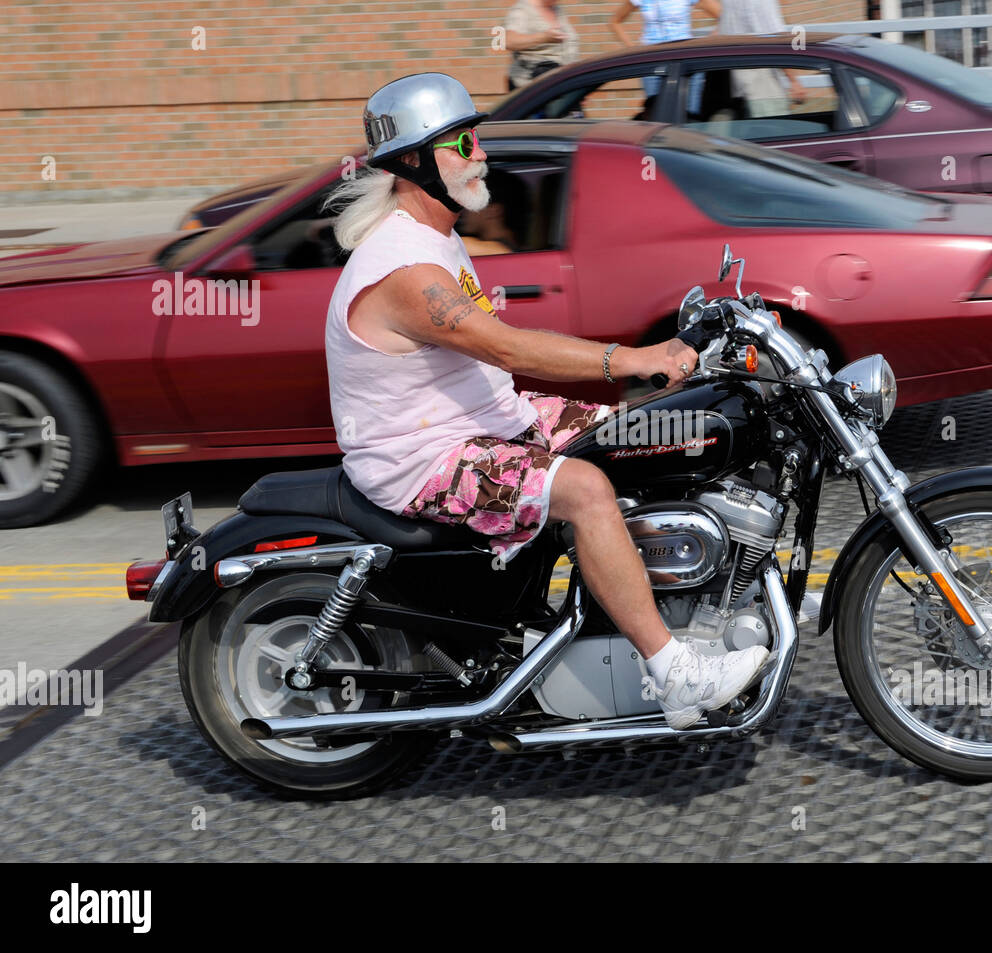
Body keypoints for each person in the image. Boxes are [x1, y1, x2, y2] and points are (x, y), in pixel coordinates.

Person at [323, 73, 770, 730]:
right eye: (463, 141)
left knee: (648, 432)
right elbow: (506, 349)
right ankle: (675, 672)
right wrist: (634, 358)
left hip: (489, 420)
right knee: (586, 487)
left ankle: (708, 595)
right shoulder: (404, 271)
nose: (482, 154)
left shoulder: (435, 239)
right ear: (415, 162)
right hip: (425, 457)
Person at [609, 0, 721, 109]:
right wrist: (633, 49)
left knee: (690, 116)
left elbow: (721, 16)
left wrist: (703, 46)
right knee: (657, 116)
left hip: (685, 60)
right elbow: (615, 21)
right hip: (652, 62)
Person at [716, 0, 805, 117]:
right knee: (774, 128)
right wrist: (793, 80)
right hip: (760, 78)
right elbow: (777, 41)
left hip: (733, 77)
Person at [504, 0, 579, 90]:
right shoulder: (522, 10)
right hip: (533, 89)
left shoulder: (556, 8)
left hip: (562, 84)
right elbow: (508, 41)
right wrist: (544, 37)